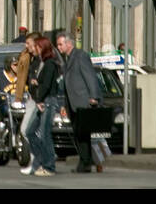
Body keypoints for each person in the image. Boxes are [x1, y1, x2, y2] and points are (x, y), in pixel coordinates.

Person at [56, 32, 102, 173]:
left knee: (83, 134)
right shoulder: (67, 59)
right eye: (57, 44)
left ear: (69, 44)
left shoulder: (80, 56)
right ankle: (84, 161)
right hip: (72, 102)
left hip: (82, 101)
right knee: (78, 133)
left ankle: (85, 163)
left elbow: (90, 76)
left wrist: (94, 96)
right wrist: (64, 104)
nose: (58, 47)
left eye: (60, 44)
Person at [23, 36, 59, 176]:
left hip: (48, 101)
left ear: (43, 48)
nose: (35, 49)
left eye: (38, 47)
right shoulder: (41, 62)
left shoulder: (50, 64)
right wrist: (35, 84)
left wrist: (39, 98)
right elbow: (37, 82)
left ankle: (49, 166)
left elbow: (46, 85)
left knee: (45, 134)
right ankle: (40, 160)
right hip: (41, 100)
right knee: (29, 131)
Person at [16, 33, 41, 174]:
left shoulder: (44, 58)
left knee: (31, 130)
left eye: (28, 44)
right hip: (32, 97)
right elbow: (21, 77)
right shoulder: (28, 56)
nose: (26, 46)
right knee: (26, 130)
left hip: (41, 99)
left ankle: (38, 161)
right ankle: (36, 160)